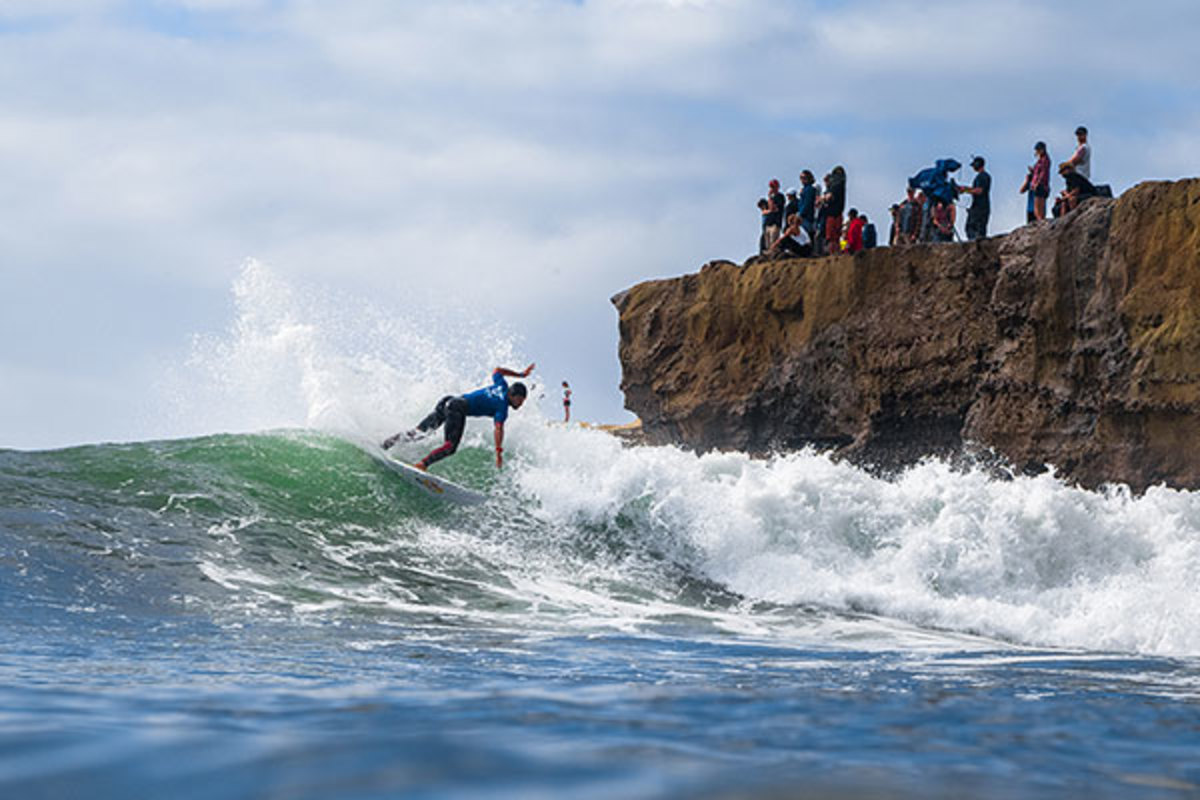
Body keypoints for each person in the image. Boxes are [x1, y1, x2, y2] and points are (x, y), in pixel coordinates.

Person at [382, 364, 535, 470]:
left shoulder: (501, 385)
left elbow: (497, 370)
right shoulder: (502, 406)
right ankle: (422, 465)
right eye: (520, 401)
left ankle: (386, 444)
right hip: (457, 408)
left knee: (419, 432)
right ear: (514, 396)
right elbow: (498, 428)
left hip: (448, 401)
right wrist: (498, 452)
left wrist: (521, 375)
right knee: (450, 446)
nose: (520, 405)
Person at [959, 156, 991, 240]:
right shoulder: (981, 176)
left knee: (972, 228)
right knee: (976, 229)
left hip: (980, 208)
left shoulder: (983, 176)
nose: (973, 167)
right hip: (979, 207)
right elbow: (976, 189)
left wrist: (965, 190)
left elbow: (979, 191)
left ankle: (976, 244)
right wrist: (964, 188)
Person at [1021, 141, 1052, 222]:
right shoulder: (1040, 160)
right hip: (1039, 185)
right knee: (1037, 208)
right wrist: (1033, 171)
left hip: (1040, 185)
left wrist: (1037, 183)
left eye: (1038, 150)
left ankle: (1040, 223)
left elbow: (1043, 173)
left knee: (1038, 209)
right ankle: (1040, 222)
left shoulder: (1045, 160)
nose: (1037, 152)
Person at [763, 179, 785, 251]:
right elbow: (766, 210)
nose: (772, 188)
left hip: (775, 223)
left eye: (773, 186)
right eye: (771, 187)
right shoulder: (771, 198)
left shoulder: (780, 197)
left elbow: (773, 208)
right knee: (767, 244)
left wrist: (770, 198)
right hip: (769, 222)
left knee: (773, 243)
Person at [797, 170, 818, 240]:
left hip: (806, 218)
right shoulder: (804, 189)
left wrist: (801, 214)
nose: (802, 180)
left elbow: (807, 204)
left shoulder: (810, 189)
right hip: (803, 217)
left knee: (805, 237)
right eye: (801, 178)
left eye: (804, 178)